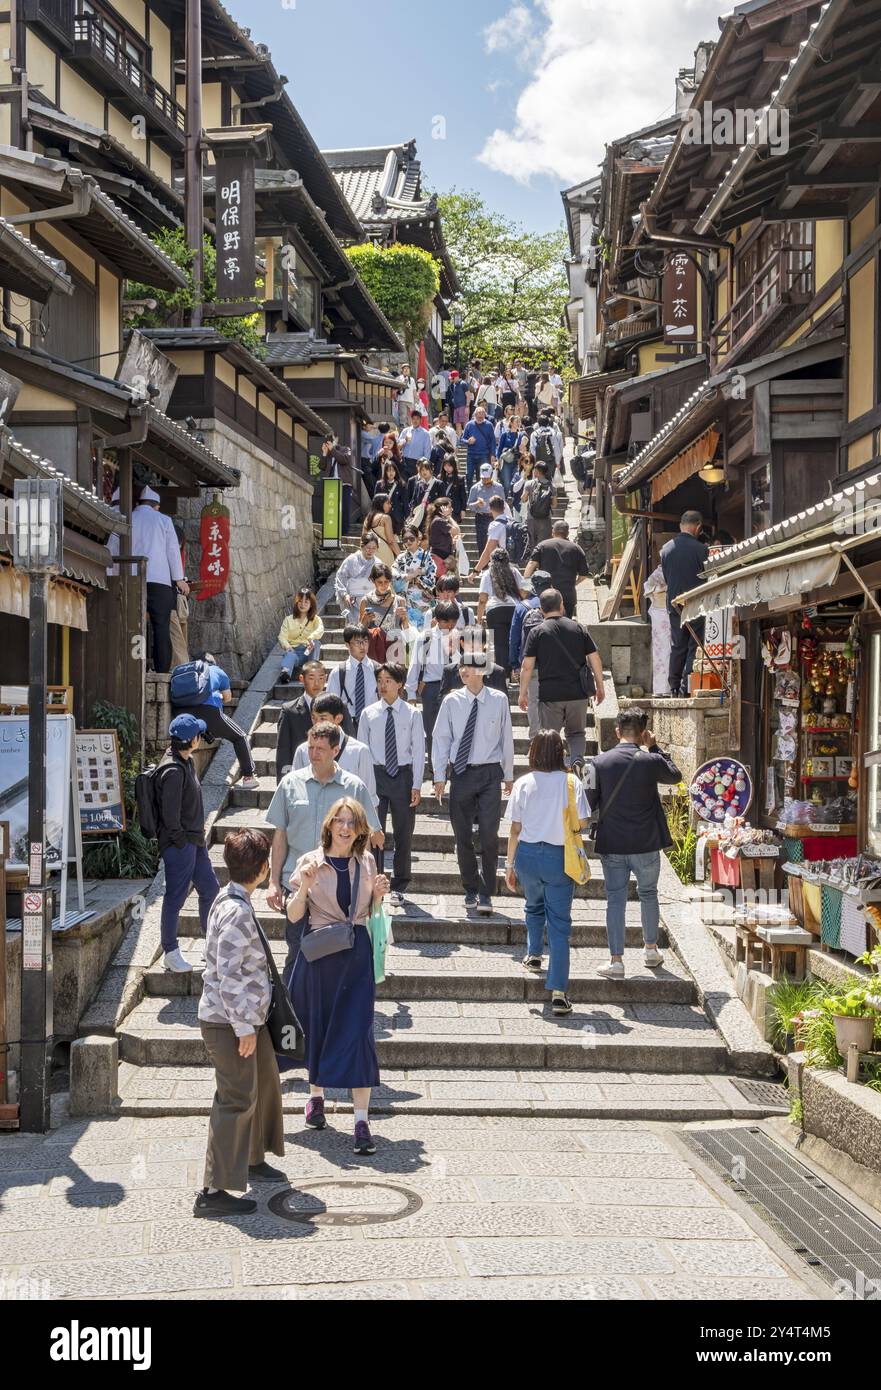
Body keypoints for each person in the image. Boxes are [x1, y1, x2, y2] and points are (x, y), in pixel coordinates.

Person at [287, 798, 389, 1155]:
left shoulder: (366, 861)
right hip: (319, 956)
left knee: (359, 1034)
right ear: (328, 825)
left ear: (361, 829)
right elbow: (293, 914)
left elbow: (370, 914)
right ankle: (315, 1097)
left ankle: (361, 1120)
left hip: (356, 953)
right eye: (339, 821)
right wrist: (303, 885)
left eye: (352, 822)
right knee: (318, 1026)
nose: (345, 828)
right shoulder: (309, 861)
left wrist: (377, 897)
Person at [194, 828, 286, 1217]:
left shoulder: (232, 898)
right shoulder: (234, 910)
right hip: (229, 1021)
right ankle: (213, 1190)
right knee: (235, 1097)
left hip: (245, 1016)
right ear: (263, 869)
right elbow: (228, 976)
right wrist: (244, 1027)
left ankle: (252, 1157)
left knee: (263, 1082)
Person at [586, 708, 682, 978]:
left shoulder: (598, 762)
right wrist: (655, 747)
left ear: (617, 731)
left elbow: (588, 801)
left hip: (612, 841)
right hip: (646, 841)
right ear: (643, 733)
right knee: (649, 893)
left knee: (615, 900)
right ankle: (650, 949)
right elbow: (675, 776)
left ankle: (616, 961)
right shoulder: (650, 760)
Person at [266, 721, 383, 936]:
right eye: (310, 747)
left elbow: (364, 841)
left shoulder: (354, 787)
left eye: (320, 749)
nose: (313, 753)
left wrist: (366, 890)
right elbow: (280, 835)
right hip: (297, 882)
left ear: (335, 751)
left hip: (340, 888)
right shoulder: (290, 784)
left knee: (337, 954)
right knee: (296, 953)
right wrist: (273, 881)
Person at [506, 731, 590, 1016]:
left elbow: (514, 829)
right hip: (559, 857)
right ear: (560, 752)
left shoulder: (523, 783)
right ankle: (558, 992)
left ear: (533, 752)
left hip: (527, 855)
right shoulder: (571, 782)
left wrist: (509, 864)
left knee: (533, 904)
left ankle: (533, 953)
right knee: (559, 924)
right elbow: (583, 821)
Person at [431, 648, 514, 915]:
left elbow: (507, 738)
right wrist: (439, 775)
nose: (463, 671)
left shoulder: (499, 699)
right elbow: (441, 739)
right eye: (461, 667)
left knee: (490, 835)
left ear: (482, 671)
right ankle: (470, 887)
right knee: (462, 834)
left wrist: (509, 773)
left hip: (490, 773)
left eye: (468, 667)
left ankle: (487, 891)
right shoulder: (451, 701)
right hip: (462, 773)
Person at [358, 662, 425, 907]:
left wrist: (417, 784)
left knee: (403, 832)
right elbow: (362, 751)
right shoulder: (368, 713)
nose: (383, 685)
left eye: (388, 681)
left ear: (399, 684)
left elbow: (419, 751)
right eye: (379, 681)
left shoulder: (412, 713)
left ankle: (399, 884)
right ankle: (374, 881)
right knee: (374, 831)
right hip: (375, 775)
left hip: (403, 775)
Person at [156, 714, 220, 973]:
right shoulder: (172, 770)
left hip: (195, 841)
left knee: (210, 888)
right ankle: (170, 951)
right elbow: (170, 817)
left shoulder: (186, 761)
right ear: (192, 740)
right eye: (198, 735)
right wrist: (182, 843)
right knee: (175, 897)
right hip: (180, 845)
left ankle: (209, 943)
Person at [519, 589, 605, 774]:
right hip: (577, 693)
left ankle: (554, 769)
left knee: (551, 735)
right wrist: (600, 686)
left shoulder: (536, 632)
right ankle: (576, 759)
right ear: (562, 606)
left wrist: (522, 693)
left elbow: (527, 666)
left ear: (541, 609)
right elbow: (594, 658)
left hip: (551, 694)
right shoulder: (578, 628)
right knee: (576, 733)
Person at [109, 485, 190, 674]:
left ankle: (131, 667)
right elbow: (172, 551)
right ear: (157, 506)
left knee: (130, 623)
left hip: (131, 578)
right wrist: (179, 579)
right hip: (160, 582)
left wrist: (111, 575)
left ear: (139, 503)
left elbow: (112, 547)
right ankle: (162, 672)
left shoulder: (127, 518)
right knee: (161, 627)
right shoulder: (164, 520)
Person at [170, 653, 258, 790]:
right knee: (240, 736)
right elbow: (228, 698)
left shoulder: (189, 672)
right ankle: (249, 777)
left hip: (180, 713)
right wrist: (217, 695)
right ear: (213, 663)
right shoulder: (218, 671)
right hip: (208, 712)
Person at [291, 692, 376, 803]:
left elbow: (369, 797)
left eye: (322, 718)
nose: (317, 724)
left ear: (338, 718)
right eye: (314, 718)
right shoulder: (303, 750)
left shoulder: (360, 751)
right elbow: (295, 789)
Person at [661, 510, 709, 697]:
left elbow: (666, 577)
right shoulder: (701, 549)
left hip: (674, 603)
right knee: (694, 644)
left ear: (681, 525)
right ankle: (687, 685)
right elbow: (707, 576)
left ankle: (673, 686)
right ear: (698, 527)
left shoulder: (666, 549)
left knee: (677, 644)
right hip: (695, 602)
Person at [406, 602, 463, 752]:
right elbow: (415, 664)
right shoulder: (425, 637)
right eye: (446, 621)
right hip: (431, 687)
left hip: (454, 686)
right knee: (432, 729)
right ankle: (434, 767)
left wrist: (453, 649)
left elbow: (463, 664)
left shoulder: (459, 636)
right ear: (437, 619)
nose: (450, 625)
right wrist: (411, 693)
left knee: (454, 728)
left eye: (453, 621)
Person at [276, 661, 343, 782]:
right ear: (302, 678)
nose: (317, 683)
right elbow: (283, 750)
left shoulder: (337, 706)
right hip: (301, 773)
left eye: (321, 678)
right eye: (311, 678)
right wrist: (283, 782)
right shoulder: (289, 710)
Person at [510, 569, 553, 737]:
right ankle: (551, 736)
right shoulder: (555, 605)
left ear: (533, 586)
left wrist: (514, 663)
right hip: (551, 663)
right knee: (551, 702)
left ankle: (536, 738)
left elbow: (513, 638)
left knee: (533, 701)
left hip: (529, 663)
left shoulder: (522, 607)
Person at [476, 548, 530, 680]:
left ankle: (503, 678)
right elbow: (525, 592)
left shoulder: (487, 574)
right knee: (515, 641)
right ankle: (516, 673)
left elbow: (483, 599)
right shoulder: (514, 571)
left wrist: (478, 619)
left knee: (500, 645)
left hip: (495, 611)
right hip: (514, 609)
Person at [524, 520, 590, 619]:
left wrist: (526, 584)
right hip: (567, 595)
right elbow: (584, 575)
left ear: (552, 531)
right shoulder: (576, 549)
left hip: (546, 594)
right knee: (565, 626)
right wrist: (574, 583)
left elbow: (532, 564)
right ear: (567, 533)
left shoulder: (542, 545)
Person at [326, 624, 378, 724]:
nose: (362, 646)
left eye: (365, 641)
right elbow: (331, 705)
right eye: (358, 642)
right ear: (347, 645)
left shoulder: (378, 669)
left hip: (374, 721)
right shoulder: (338, 672)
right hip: (347, 722)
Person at [392, 525, 437, 629]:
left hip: (423, 599)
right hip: (406, 600)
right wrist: (413, 575)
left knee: (424, 632)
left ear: (418, 539)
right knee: (408, 633)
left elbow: (431, 578)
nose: (408, 541)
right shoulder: (400, 558)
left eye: (411, 538)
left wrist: (414, 579)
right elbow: (393, 577)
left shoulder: (426, 557)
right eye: (405, 539)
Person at [278, 587, 323, 683]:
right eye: (300, 601)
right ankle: (285, 674)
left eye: (306, 602)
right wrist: (287, 646)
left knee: (316, 643)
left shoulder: (315, 619)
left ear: (311, 604)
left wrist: (311, 638)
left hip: (309, 650)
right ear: (296, 602)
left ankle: (312, 670)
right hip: (294, 651)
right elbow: (282, 636)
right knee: (289, 655)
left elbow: (320, 629)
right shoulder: (288, 619)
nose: (302, 604)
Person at [334, 534, 379, 625]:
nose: (370, 551)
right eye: (368, 547)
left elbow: (382, 582)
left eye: (374, 548)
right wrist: (344, 594)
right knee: (354, 630)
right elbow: (340, 577)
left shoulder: (378, 563)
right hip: (352, 600)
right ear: (362, 546)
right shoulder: (351, 560)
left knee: (370, 630)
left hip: (370, 600)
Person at [320, 435, 358, 534]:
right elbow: (322, 466)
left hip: (344, 484)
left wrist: (332, 449)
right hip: (331, 486)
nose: (331, 442)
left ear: (337, 439)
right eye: (329, 441)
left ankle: (344, 533)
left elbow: (344, 459)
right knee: (332, 509)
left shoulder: (345, 449)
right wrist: (324, 453)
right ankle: (331, 533)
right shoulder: (329, 453)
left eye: (333, 440)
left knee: (344, 509)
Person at [468, 462, 507, 555]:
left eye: (487, 478)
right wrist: (477, 504)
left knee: (497, 544)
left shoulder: (499, 487)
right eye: (483, 478)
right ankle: (483, 568)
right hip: (481, 517)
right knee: (482, 543)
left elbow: (503, 503)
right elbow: (469, 504)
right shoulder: (475, 488)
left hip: (495, 518)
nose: (485, 480)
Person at [461, 405, 497, 489]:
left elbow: (493, 441)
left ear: (485, 415)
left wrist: (493, 454)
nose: (480, 417)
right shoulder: (469, 425)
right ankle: (470, 494)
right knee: (469, 476)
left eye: (482, 415)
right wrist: (468, 441)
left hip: (483, 455)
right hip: (471, 455)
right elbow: (462, 439)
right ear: (475, 415)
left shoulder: (489, 425)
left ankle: (480, 495)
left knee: (481, 477)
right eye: (478, 415)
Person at [473, 495, 510, 576]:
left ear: (489, 508)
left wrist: (476, 571)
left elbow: (488, 551)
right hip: (515, 565)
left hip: (502, 567)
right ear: (504, 508)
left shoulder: (495, 525)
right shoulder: (512, 521)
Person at [361, 494, 399, 567]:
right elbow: (391, 541)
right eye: (388, 503)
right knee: (385, 576)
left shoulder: (367, 518)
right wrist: (400, 556)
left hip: (371, 552)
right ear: (381, 504)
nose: (390, 506)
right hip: (384, 552)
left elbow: (363, 539)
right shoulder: (385, 518)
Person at [426, 496, 459, 578]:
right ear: (442, 508)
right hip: (440, 559)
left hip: (441, 557)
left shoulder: (437, 520)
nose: (452, 509)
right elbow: (457, 530)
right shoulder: (439, 521)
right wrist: (449, 517)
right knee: (443, 587)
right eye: (449, 507)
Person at [524, 461, 554, 549]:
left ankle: (533, 562)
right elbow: (554, 504)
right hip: (545, 519)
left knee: (532, 546)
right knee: (544, 546)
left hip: (531, 519)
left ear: (536, 471)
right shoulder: (551, 485)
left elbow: (523, 499)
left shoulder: (529, 484)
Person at [399, 408, 432, 478]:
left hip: (417, 463)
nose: (415, 421)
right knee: (404, 485)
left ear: (420, 420)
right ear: (411, 419)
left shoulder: (425, 433)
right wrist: (404, 440)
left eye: (417, 419)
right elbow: (398, 446)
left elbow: (427, 451)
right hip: (405, 461)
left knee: (415, 485)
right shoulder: (405, 431)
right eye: (413, 419)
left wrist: (424, 465)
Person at [496, 413, 524, 494]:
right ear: (511, 423)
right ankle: (504, 499)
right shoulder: (505, 434)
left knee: (515, 481)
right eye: (516, 422)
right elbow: (500, 448)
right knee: (506, 482)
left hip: (517, 460)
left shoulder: (521, 435)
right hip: (506, 461)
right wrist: (498, 460)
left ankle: (513, 498)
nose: (518, 423)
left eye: (519, 422)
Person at [380, 459, 408, 534]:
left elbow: (405, 502)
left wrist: (407, 517)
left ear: (396, 471)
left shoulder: (401, 485)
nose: (391, 473)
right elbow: (376, 502)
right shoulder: (380, 484)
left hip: (397, 518)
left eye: (393, 470)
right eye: (388, 471)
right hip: (383, 516)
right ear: (385, 472)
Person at [439, 454, 467, 521]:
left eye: (449, 466)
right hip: (442, 509)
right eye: (445, 466)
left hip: (455, 509)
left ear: (454, 466)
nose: (447, 468)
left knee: (454, 529)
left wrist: (463, 509)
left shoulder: (460, 478)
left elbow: (463, 496)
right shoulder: (439, 478)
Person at [511, 452, 534, 518]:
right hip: (517, 506)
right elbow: (514, 489)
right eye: (526, 461)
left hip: (530, 508)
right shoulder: (517, 475)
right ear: (521, 462)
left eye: (531, 462)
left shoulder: (535, 475)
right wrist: (523, 478)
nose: (528, 464)